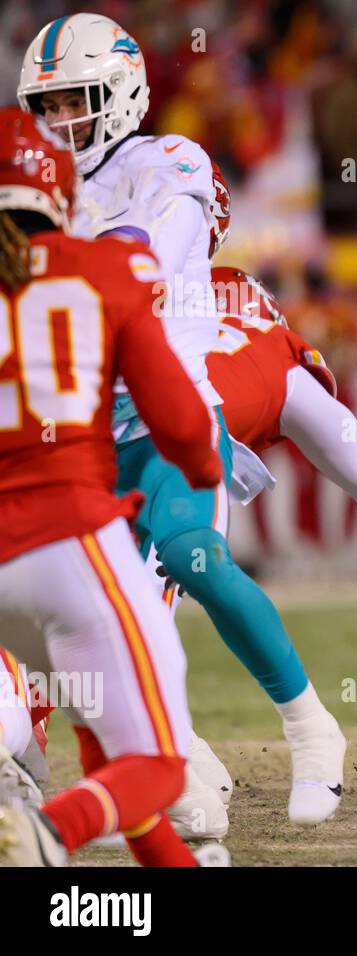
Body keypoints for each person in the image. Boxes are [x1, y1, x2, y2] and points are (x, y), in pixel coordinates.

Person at [18, 13, 345, 827]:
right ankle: (169, 761)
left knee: (193, 553)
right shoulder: (39, 185)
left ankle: (310, 726)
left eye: (76, 102)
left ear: (122, 94)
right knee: (79, 624)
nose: (61, 123)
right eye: (46, 107)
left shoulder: (168, 160)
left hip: (169, 411)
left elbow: (137, 257)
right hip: (80, 433)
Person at [0, 108, 222, 866]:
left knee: (100, 735)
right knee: (156, 764)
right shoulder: (102, 270)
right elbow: (186, 428)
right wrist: (204, 476)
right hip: (68, 541)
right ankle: (50, 831)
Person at [206, 267, 357, 630]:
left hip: (242, 401)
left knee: (293, 477)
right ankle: (286, 548)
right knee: (297, 477)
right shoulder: (294, 323)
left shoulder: (337, 312)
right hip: (281, 391)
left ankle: (326, 547)